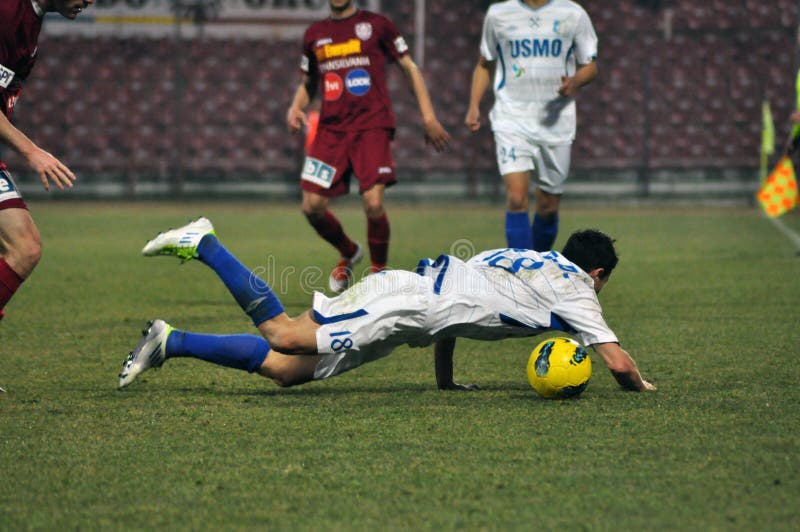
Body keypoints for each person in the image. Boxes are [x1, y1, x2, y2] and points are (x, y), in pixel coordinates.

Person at [120, 217, 656, 393]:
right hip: (404, 304)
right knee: (283, 335)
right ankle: (206, 243)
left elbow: (462, 311)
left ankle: (171, 341)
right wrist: (644, 388)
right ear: (598, 273)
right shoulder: (576, 287)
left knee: (286, 369)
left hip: (413, 314)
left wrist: (444, 381)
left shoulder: (525, 260)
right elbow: (617, 362)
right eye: (601, 284)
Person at [286, 0, 450, 294]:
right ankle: (349, 251)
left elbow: (409, 67)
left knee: (373, 203)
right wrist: (296, 107)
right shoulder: (314, 33)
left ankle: (379, 277)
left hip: (371, 126)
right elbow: (308, 82)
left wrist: (428, 116)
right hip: (331, 131)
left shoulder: (377, 25)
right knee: (311, 207)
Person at [465, 0, 598, 252]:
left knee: (548, 207)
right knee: (516, 199)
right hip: (511, 118)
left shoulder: (573, 13)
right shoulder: (498, 15)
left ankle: (537, 266)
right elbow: (484, 63)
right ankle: (523, 276)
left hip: (556, 122)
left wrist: (574, 82)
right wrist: (474, 105)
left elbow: (590, 66)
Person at [0, 0, 94, 326]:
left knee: (25, 247)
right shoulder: (6, 11)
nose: (90, 1)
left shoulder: (30, 25)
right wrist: (32, 151)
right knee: (24, 246)